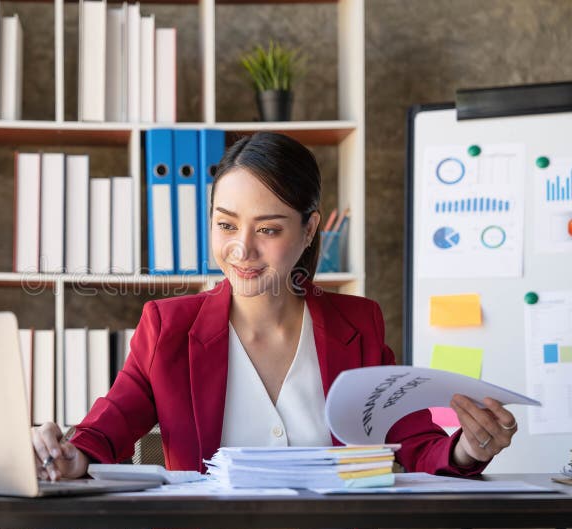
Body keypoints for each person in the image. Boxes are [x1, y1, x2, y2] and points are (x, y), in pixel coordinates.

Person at [31, 132, 518, 484]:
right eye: (225, 225)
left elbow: (415, 443)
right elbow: (107, 428)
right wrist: (68, 454)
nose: (241, 249)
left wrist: (467, 447)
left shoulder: (358, 326)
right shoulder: (168, 327)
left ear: (308, 230)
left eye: (268, 229)